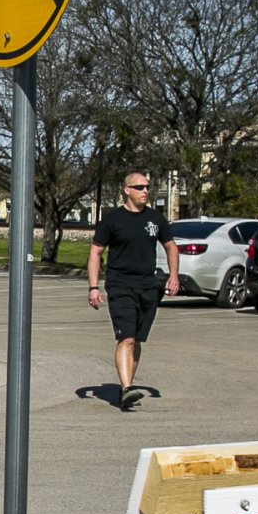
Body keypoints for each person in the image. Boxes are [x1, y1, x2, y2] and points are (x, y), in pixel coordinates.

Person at [85, 171, 180, 409]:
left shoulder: (155, 219)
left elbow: (171, 246)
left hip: (148, 286)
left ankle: (126, 388)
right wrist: (93, 287)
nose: (145, 191)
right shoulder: (112, 220)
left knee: (136, 340)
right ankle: (127, 387)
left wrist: (173, 276)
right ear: (127, 190)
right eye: (139, 187)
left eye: (147, 187)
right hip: (120, 285)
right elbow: (96, 252)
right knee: (126, 338)